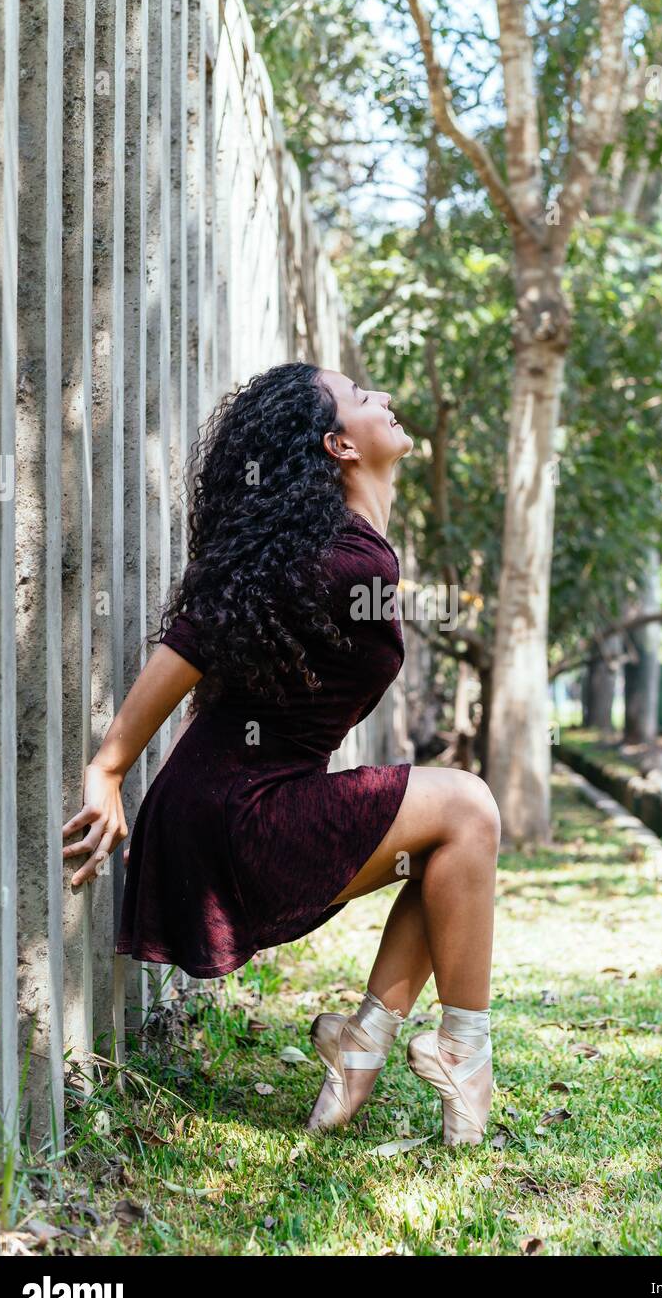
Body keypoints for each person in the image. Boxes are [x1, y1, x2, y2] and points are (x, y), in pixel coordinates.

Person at [61, 362, 500, 1147]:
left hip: (229, 807)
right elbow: (196, 632)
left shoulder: (349, 549)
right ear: (339, 445)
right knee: (468, 806)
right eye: (365, 400)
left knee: (448, 853)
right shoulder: (343, 557)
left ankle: (366, 1042)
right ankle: (463, 1052)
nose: (386, 399)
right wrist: (110, 765)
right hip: (234, 817)